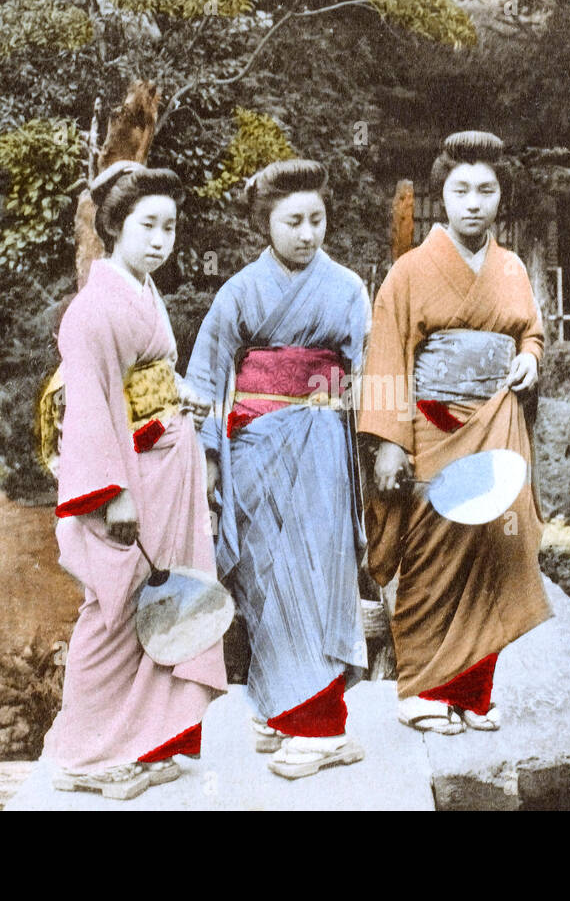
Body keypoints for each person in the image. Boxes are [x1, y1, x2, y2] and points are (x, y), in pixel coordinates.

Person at [358, 130, 552, 736]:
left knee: (498, 542)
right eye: (460, 189)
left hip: (497, 419)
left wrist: (531, 359)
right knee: (433, 551)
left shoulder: (513, 268)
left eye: (486, 190)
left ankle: (471, 691)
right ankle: (420, 690)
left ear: (501, 198)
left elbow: (531, 333)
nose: (473, 202)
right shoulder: (410, 271)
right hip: (431, 427)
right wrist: (389, 442)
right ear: (441, 196)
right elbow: (388, 353)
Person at [43, 161, 226, 799]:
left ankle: (149, 742)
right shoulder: (92, 310)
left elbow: (150, 375)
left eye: (170, 227)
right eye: (147, 225)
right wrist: (112, 493)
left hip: (167, 471)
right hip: (124, 478)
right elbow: (92, 405)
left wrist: (181, 394)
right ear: (115, 227)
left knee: (168, 603)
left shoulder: (145, 294)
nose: (160, 239)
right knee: (115, 609)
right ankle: (85, 757)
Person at [185, 159, 370, 779]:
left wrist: (379, 438)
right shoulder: (239, 289)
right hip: (253, 450)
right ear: (266, 223)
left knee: (315, 574)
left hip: (320, 442)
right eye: (293, 221)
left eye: (317, 219)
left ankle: (322, 728)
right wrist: (210, 454)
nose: (308, 233)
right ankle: (277, 705)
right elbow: (208, 375)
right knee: (263, 578)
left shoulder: (346, 288)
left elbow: (370, 370)